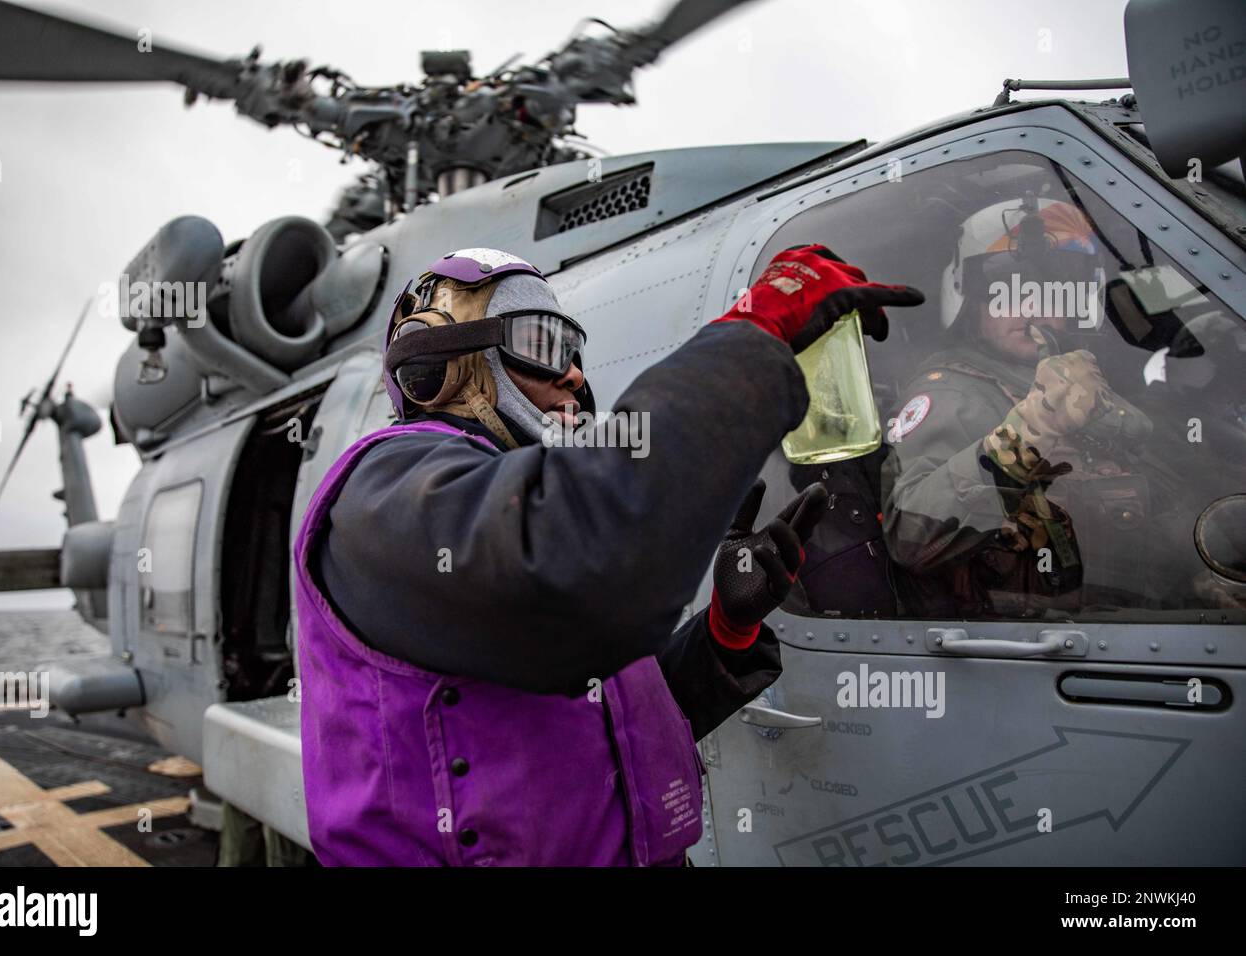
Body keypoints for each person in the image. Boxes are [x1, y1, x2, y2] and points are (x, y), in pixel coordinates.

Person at [292, 245, 922, 866]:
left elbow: (603, 724)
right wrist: (753, 333)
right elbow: (579, 569)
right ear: (443, 366)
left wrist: (724, 634)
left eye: (575, 352)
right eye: (541, 345)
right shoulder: (384, 490)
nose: (573, 375)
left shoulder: (513, 509)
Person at [880, 196, 1186, 617]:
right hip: (1024, 644)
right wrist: (1026, 434)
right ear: (968, 302)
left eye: (1052, 287)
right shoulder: (952, 396)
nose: (1032, 305)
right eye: (1004, 288)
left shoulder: (1078, 381)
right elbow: (910, 537)